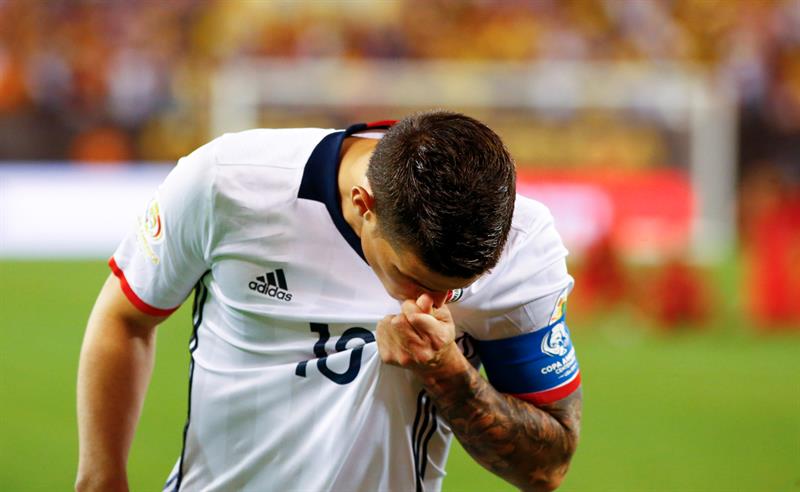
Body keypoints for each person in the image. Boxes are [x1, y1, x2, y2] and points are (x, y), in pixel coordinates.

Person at [76, 111, 582, 492]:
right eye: (413, 276)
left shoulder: (524, 239)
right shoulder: (228, 181)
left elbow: (548, 466)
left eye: (457, 287)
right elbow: (126, 318)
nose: (434, 301)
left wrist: (448, 371)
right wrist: (100, 478)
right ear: (365, 207)